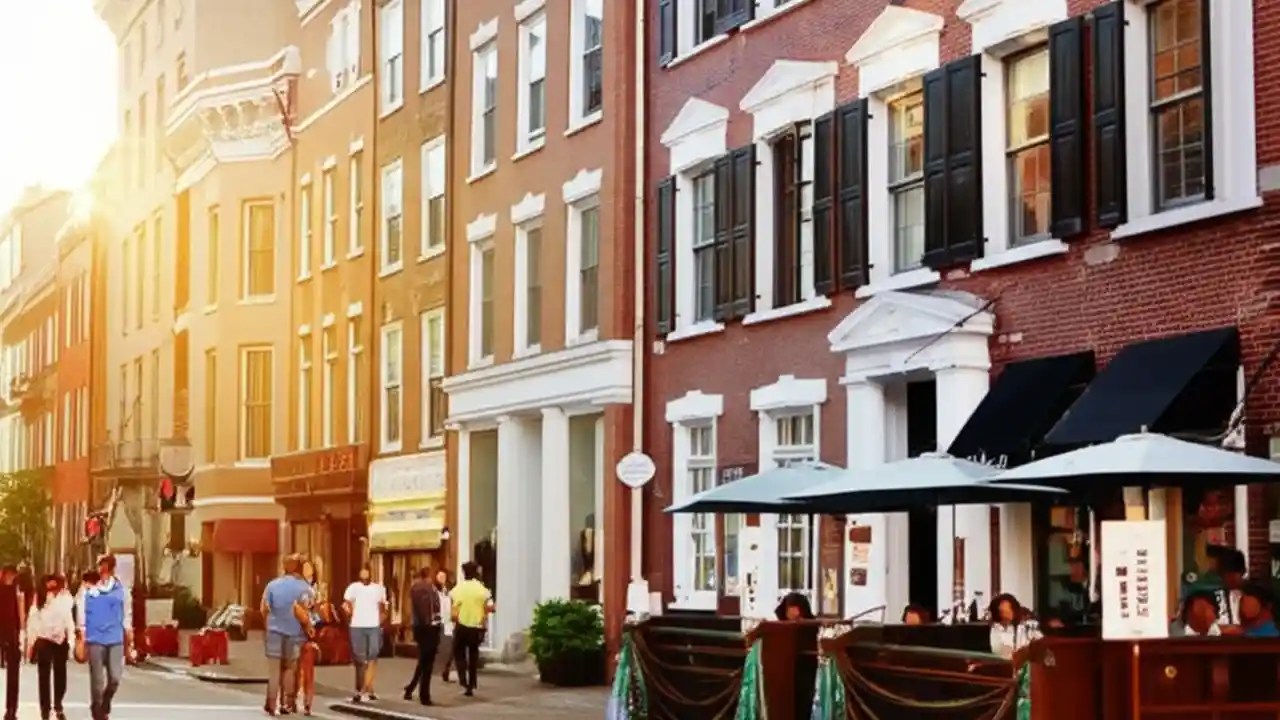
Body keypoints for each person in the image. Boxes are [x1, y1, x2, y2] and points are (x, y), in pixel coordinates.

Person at [77, 554, 132, 720]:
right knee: (97, 680)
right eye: (101, 566)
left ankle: (106, 700)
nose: (103, 569)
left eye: (106, 566)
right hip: (95, 638)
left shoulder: (121, 589)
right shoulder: (89, 589)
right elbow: (81, 610)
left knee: (115, 677)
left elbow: (127, 614)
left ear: (112, 568)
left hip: (115, 638)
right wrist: (82, 633)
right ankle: (97, 709)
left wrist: (129, 634)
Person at [261, 554, 314, 716]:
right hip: (295, 634)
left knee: (274, 670)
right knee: (290, 668)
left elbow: (264, 608)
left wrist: (269, 624)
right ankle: (287, 703)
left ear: (284, 567)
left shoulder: (272, 585)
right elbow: (308, 611)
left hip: (274, 631)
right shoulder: (305, 588)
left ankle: (271, 703)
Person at [27, 574, 75, 720]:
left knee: (61, 674)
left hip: (60, 640)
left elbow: (69, 620)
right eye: (50, 586)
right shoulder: (40, 599)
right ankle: (45, 709)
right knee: (44, 676)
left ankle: (58, 704)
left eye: (56, 586)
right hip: (44, 639)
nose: (53, 590)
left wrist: (71, 641)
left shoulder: (66, 599)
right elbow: (33, 620)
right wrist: (31, 642)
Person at [343, 566, 387, 703]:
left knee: (373, 655)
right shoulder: (353, 587)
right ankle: (359, 689)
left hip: (373, 626)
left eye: (367, 572)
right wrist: (349, 614)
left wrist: (381, 620)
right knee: (360, 659)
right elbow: (346, 604)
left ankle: (368, 687)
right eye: (362, 572)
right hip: (357, 626)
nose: (364, 575)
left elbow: (383, 606)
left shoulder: (378, 588)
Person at [449, 561, 493, 697]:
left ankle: (463, 679)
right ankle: (472, 683)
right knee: (473, 654)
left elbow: (454, 610)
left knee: (458, 652)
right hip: (477, 626)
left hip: (462, 625)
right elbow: (491, 607)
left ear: (464, 573)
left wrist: (454, 619)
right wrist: (483, 613)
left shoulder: (459, 589)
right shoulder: (482, 589)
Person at [402, 568, 443, 705]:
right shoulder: (422, 588)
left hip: (426, 627)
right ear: (429, 575)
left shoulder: (427, 588)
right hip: (427, 628)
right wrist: (429, 624)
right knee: (427, 662)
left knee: (424, 661)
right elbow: (424, 610)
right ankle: (424, 695)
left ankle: (411, 688)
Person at [0, 565, 25, 720]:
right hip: (6, 632)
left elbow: (21, 613)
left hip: (12, 634)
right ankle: (11, 709)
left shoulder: (17, 590)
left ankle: (11, 709)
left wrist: (22, 633)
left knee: (13, 676)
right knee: (13, 675)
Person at [988, 594, 1038, 659]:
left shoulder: (1025, 627)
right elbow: (999, 651)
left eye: (1009, 609)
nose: (1006, 612)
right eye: (1002, 610)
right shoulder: (994, 630)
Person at [435, 570, 454, 684]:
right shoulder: (434, 591)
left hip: (448, 622)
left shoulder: (450, 591)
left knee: (449, 648)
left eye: (443, 576)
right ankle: (439, 669)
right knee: (439, 647)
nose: (442, 578)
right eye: (440, 576)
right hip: (438, 621)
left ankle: (446, 669)